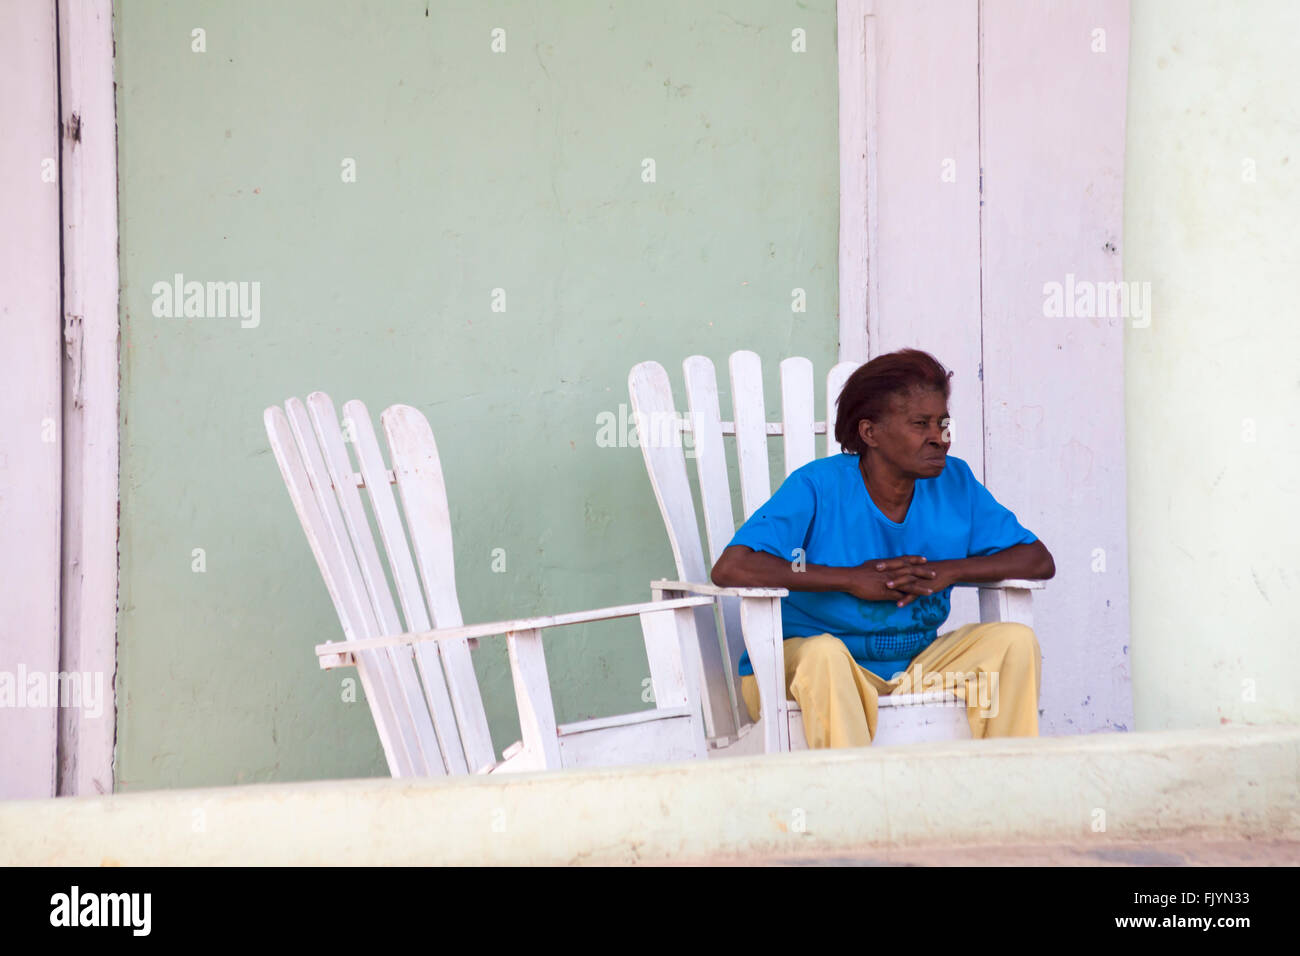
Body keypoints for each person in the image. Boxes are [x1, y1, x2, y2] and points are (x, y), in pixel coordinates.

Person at [710, 348, 1055, 747]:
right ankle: (857, 803)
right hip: (802, 673)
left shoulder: (955, 482)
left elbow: (1036, 559)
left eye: (943, 423)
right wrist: (850, 580)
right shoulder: (818, 487)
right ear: (870, 432)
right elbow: (732, 567)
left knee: (1014, 641)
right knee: (825, 655)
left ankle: (1006, 792)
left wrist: (949, 571)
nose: (939, 438)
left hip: (912, 668)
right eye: (919, 424)